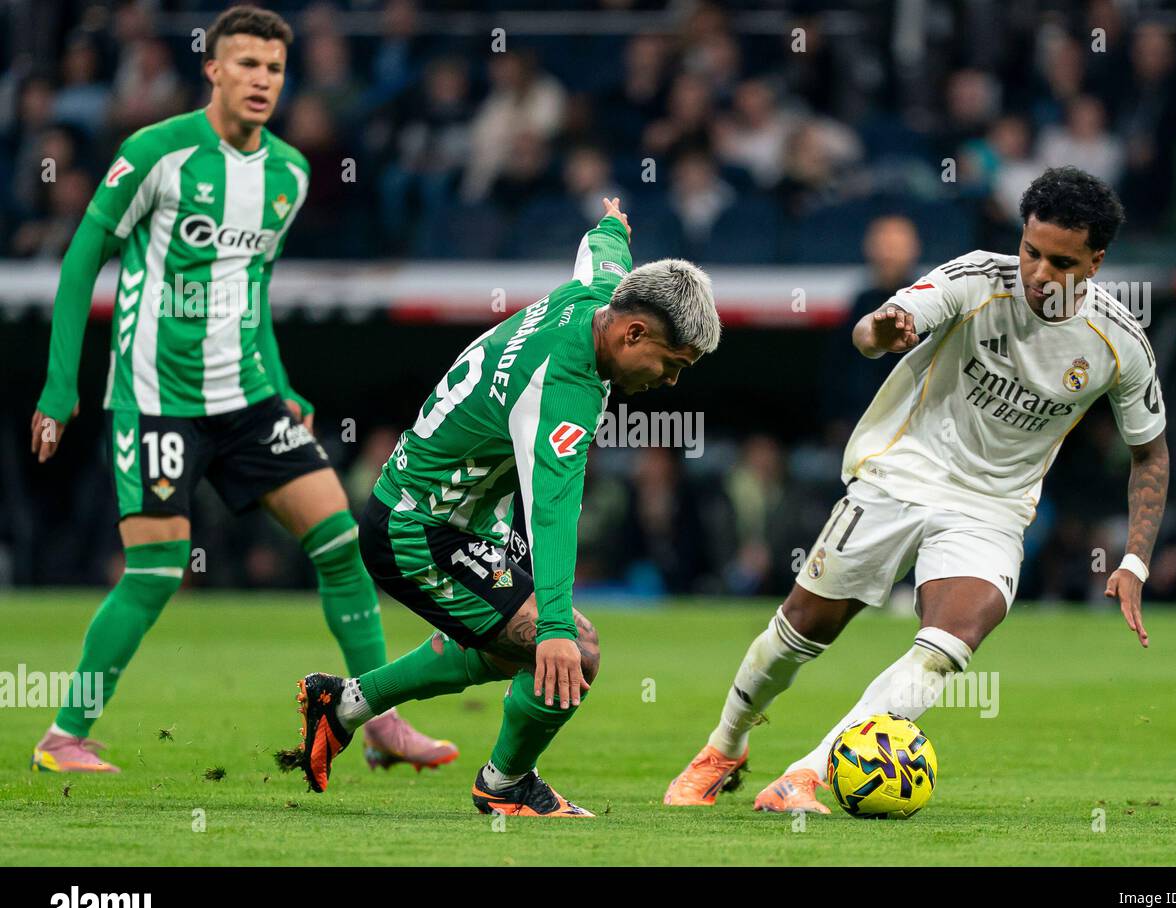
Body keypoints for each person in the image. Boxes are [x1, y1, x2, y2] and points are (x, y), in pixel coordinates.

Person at [29, 5, 454, 775]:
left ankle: (381, 721)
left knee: (342, 545)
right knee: (159, 569)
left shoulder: (289, 174)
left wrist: (284, 383)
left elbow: (250, 290)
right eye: (247, 65)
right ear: (213, 70)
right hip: (156, 398)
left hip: (249, 398)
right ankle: (64, 735)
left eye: (275, 68)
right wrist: (61, 386)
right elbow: (82, 255)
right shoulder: (157, 152)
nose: (262, 80)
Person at [664, 166, 1169, 813]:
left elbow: (1149, 453)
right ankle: (723, 747)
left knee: (948, 645)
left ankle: (806, 776)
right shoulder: (977, 278)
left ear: (1095, 263)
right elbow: (875, 328)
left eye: (1062, 262)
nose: (1039, 273)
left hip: (991, 510)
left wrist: (1133, 559)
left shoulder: (1118, 342)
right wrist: (884, 328)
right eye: (1031, 251)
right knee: (799, 629)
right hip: (903, 472)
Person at [279, 199, 721, 817]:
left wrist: (613, 223)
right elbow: (553, 515)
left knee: (512, 640)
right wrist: (559, 630)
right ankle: (506, 784)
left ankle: (345, 704)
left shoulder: (597, 294)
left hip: (462, 519)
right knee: (573, 650)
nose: (671, 384)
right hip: (419, 529)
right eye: (673, 366)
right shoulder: (559, 392)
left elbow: (602, 250)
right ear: (634, 333)